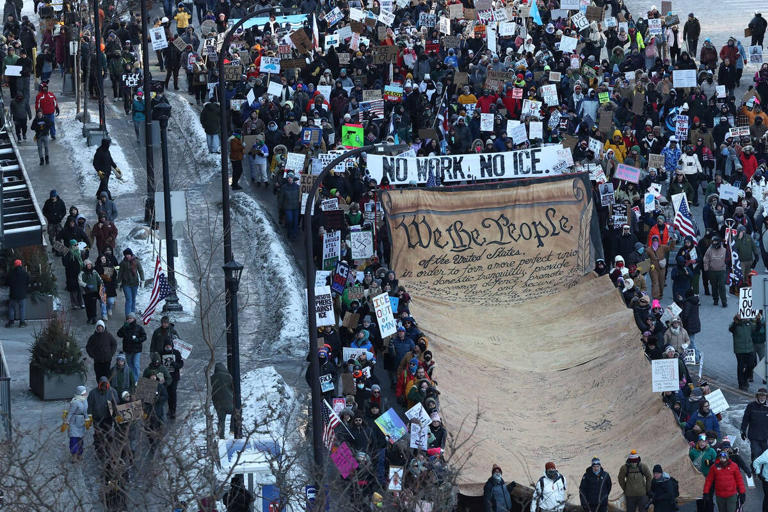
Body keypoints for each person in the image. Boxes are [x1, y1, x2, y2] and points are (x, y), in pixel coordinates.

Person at [87, 376, 119, 457]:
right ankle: (99, 451)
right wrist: (89, 417)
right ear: (99, 385)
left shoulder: (112, 391)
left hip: (108, 418)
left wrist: (114, 410)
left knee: (108, 434)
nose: (104, 388)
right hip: (97, 418)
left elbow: (116, 403)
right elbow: (89, 405)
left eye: (105, 386)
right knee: (98, 435)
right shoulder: (93, 393)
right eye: (102, 385)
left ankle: (108, 450)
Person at [730, 314, 758, 390]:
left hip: (750, 349)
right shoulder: (735, 324)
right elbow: (731, 329)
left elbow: (756, 328)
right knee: (741, 366)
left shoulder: (749, 324)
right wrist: (736, 321)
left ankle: (745, 379)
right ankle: (741, 383)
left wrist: (757, 320)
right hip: (740, 350)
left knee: (751, 365)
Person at [117, 312, 147, 382]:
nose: (129, 320)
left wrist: (138, 340)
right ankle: (131, 379)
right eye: (128, 318)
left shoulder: (139, 328)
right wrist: (123, 327)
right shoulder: (125, 327)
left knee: (136, 364)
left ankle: (136, 380)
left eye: (131, 318)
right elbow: (119, 334)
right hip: (128, 349)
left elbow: (144, 336)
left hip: (137, 350)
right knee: (130, 365)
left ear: (134, 319)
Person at [741, 388, 768, 463]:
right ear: (757, 396)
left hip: (765, 436)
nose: (762, 397)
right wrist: (742, 431)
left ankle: (762, 472)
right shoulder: (751, 406)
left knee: (765, 455)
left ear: (766, 397)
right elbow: (745, 419)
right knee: (757, 453)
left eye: (764, 396)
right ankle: (755, 469)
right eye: (760, 395)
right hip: (754, 436)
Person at [64, 385, 89, 463]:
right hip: (74, 422)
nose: (86, 394)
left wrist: (87, 419)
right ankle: (74, 456)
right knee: (74, 439)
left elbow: (85, 411)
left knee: (80, 439)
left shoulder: (85, 401)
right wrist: (67, 421)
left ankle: (80, 454)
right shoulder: (75, 402)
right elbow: (70, 413)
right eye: (84, 393)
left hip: (81, 422)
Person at [159, 340, 183, 419]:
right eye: (167, 346)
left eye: (169, 346)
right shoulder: (161, 353)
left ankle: (173, 411)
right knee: (166, 394)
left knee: (172, 393)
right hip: (165, 377)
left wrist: (176, 365)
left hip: (174, 377)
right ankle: (166, 410)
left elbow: (181, 363)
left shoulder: (176, 353)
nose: (168, 347)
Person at [116, 248, 144, 316]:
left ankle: (132, 314)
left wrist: (142, 280)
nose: (127, 256)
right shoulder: (123, 263)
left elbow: (140, 271)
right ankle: (128, 315)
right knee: (129, 299)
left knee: (133, 299)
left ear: (131, 254)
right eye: (126, 255)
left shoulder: (136, 261)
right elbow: (120, 272)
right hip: (126, 284)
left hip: (135, 283)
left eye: (128, 254)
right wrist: (118, 282)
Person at [703, 235, 728, 307]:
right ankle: (715, 300)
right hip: (712, 271)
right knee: (714, 286)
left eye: (716, 241)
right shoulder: (710, 249)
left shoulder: (724, 250)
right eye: (713, 241)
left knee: (721, 286)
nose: (714, 243)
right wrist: (706, 268)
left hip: (721, 271)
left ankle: (724, 301)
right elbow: (706, 258)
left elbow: (728, 259)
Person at [211, 362, 234, 439]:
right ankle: (232, 429)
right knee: (236, 411)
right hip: (229, 403)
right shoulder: (228, 377)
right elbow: (233, 388)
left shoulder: (212, 378)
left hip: (218, 404)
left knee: (221, 420)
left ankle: (221, 436)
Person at [5, 258, 28, 327]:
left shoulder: (11, 273)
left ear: (14, 265)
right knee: (22, 308)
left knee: (11, 307)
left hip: (13, 294)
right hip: (22, 294)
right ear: (21, 265)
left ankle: (11, 322)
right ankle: (22, 322)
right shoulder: (25, 273)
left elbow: (7, 282)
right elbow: (28, 281)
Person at [78, 259, 103, 324]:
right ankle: (89, 317)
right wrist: (86, 285)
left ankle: (94, 317)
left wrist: (101, 283)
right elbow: (80, 281)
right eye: (88, 264)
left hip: (94, 291)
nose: (89, 266)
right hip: (86, 292)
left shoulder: (94, 272)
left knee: (93, 304)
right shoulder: (82, 273)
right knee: (88, 305)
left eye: (90, 264)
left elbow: (99, 279)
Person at [278, 173, 300, 240]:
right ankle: (289, 233)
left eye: (290, 177)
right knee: (290, 220)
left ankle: (294, 234)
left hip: (296, 207)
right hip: (288, 207)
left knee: (295, 222)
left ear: (293, 178)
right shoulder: (284, 187)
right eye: (288, 178)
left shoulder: (297, 187)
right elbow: (281, 197)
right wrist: (280, 206)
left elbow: (300, 196)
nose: (289, 179)